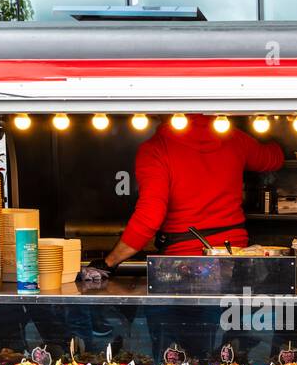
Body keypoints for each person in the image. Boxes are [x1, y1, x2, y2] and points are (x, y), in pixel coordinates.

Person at [85, 114, 285, 277]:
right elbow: (272, 159)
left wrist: (108, 262)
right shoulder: (235, 139)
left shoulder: (156, 149)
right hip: (234, 259)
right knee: (225, 324)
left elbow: (150, 216)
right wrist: (278, 139)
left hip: (183, 265)